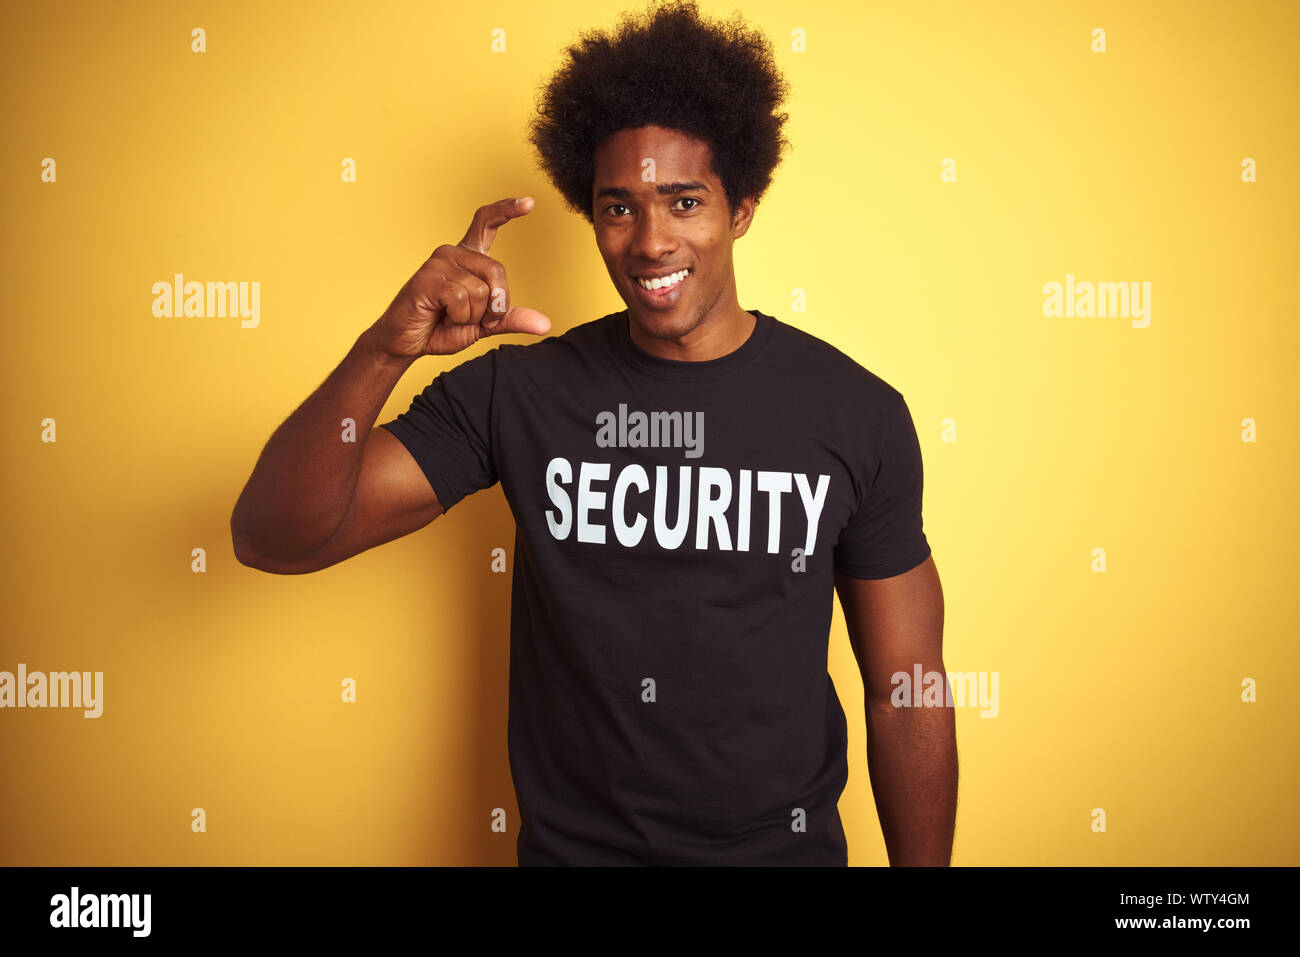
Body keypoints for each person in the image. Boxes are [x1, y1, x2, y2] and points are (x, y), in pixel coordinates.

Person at [230, 0, 955, 867]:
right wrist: (387, 348)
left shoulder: (854, 412)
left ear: (744, 206)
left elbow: (906, 690)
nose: (651, 241)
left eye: (684, 201)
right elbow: (274, 536)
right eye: (620, 208)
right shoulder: (518, 393)